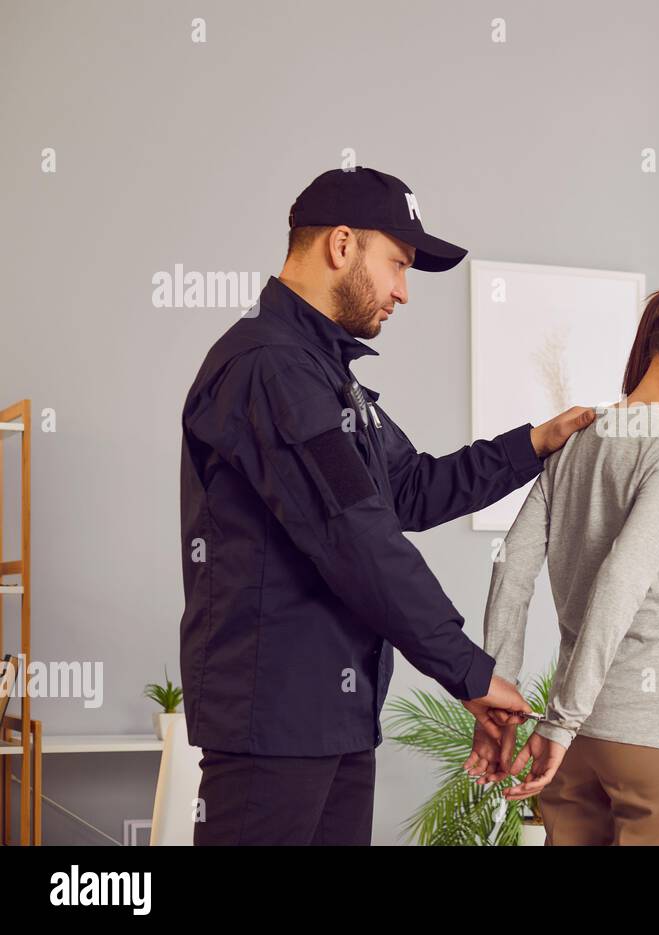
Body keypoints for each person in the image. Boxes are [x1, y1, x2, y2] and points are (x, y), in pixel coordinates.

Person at [178, 166, 594, 844]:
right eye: (397, 263)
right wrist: (467, 668)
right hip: (275, 720)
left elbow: (412, 489)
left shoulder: (329, 379)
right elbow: (356, 535)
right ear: (341, 245)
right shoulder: (269, 367)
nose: (403, 291)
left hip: (335, 717)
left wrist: (535, 444)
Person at [468, 288, 659, 845]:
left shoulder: (577, 438)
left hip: (578, 740)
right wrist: (561, 721)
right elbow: (623, 576)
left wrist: (504, 706)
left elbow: (511, 569)